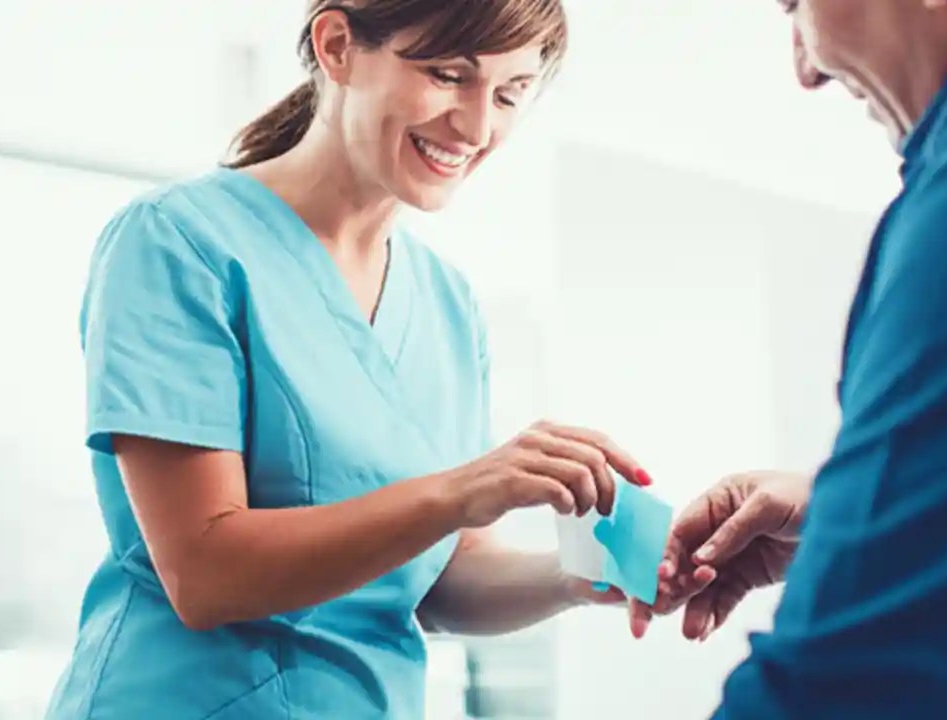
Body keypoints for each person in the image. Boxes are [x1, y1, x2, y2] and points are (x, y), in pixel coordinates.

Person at [45, 1, 657, 718]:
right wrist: (461, 490)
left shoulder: (448, 304)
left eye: (509, 93)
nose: (476, 127)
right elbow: (204, 572)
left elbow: (442, 579)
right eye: (448, 75)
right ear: (337, 46)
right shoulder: (178, 243)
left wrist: (582, 576)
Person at [641, 0, 947, 716]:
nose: (806, 67)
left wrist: (901, 545)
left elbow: (857, 694)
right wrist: (882, 512)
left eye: (797, 4)